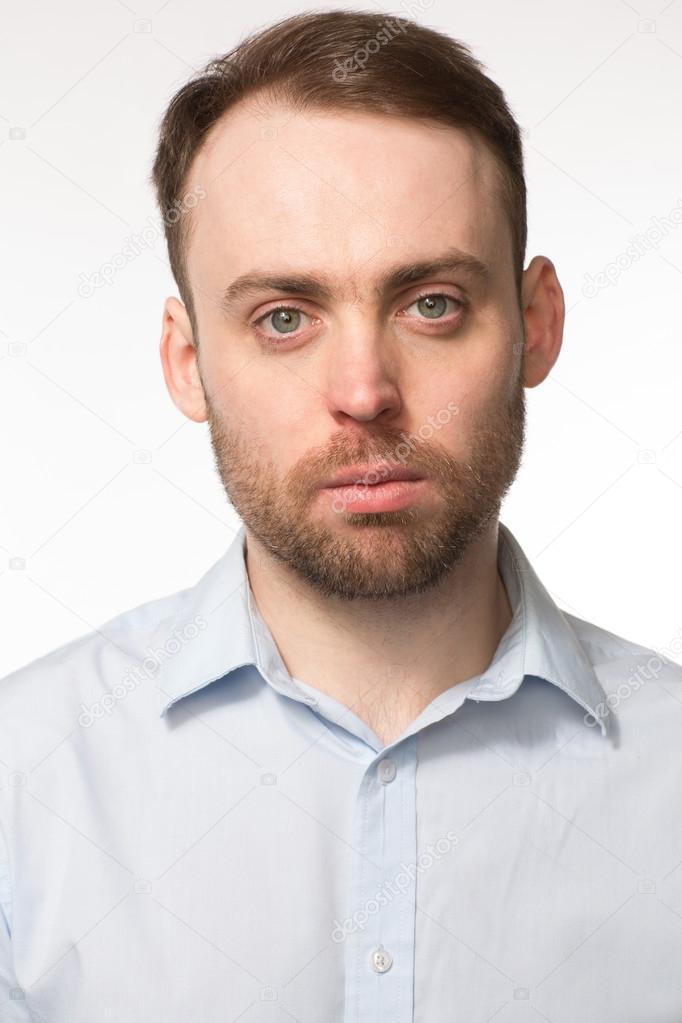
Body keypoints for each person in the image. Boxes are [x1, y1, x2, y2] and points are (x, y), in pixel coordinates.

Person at [2, 9, 680, 1022]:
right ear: (187, 362)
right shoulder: (26, 779)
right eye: (284, 317)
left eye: (431, 303)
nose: (363, 392)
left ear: (534, 327)